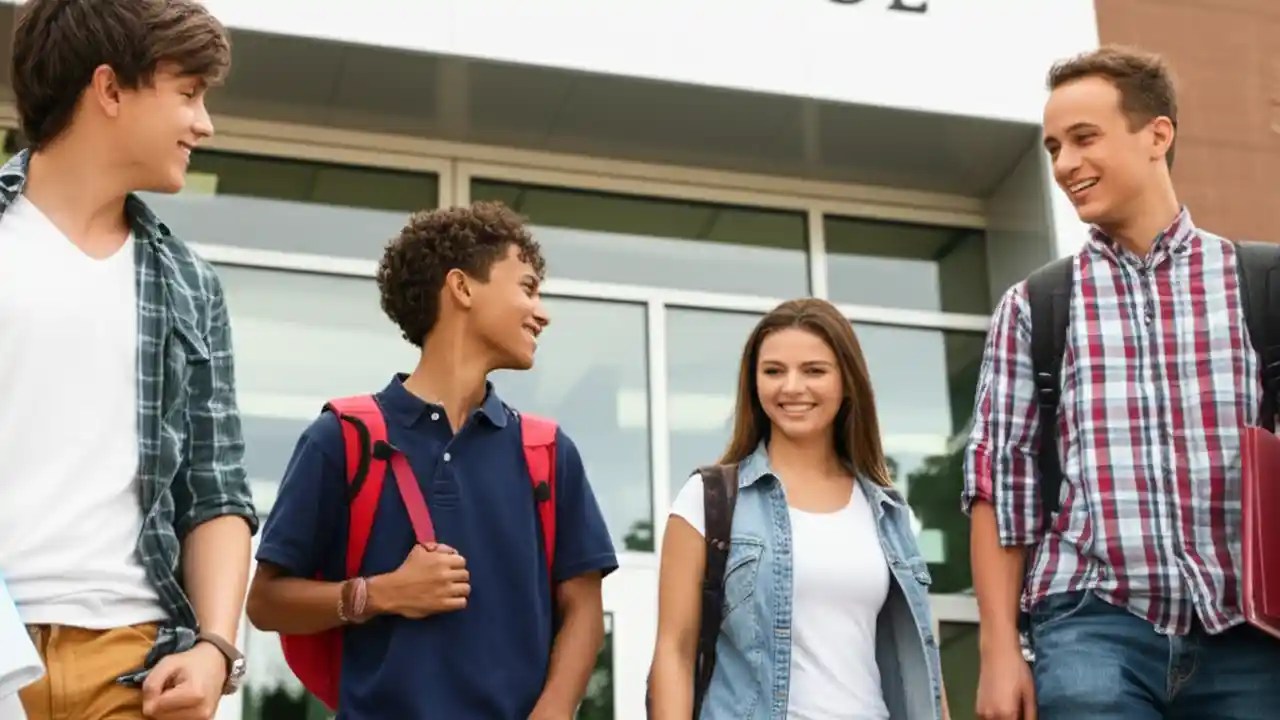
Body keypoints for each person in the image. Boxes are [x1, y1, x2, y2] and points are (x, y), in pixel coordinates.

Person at [964, 45, 1280, 720]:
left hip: (1252, 637)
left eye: (1084, 139)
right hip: (1091, 626)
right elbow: (1000, 485)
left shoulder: (1264, 285)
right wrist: (999, 653)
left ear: (1156, 135)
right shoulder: (1036, 306)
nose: (1064, 165)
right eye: (1053, 147)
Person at [246, 201, 619, 718]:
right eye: (528, 288)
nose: (543, 312)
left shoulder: (548, 453)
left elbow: (583, 608)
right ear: (462, 288)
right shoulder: (343, 437)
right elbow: (265, 603)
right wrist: (379, 594)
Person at [0, 2, 259, 720]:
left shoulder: (190, 284)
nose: (204, 123)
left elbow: (216, 488)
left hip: (134, 668)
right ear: (109, 90)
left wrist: (213, 647)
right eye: (188, 92)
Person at [649, 298, 947, 719]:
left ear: (847, 383)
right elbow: (674, 651)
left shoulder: (886, 509)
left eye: (814, 371)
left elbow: (922, 663)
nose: (791, 387)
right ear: (753, 383)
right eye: (773, 371)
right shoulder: (708, 498)